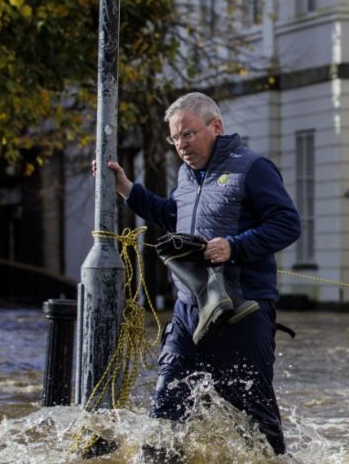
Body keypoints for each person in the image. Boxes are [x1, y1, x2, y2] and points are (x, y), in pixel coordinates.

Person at [97, 92, 300, 455]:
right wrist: (126, 189)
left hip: (242, 312)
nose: (181, 145)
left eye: (188, 134)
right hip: (189, 312)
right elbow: (171, 214)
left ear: (216, 126)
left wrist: (234, 246)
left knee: (257, 424)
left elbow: (287, 224)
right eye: (175, 138)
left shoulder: (252, 168)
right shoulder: (187, 176)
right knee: (165, 413)